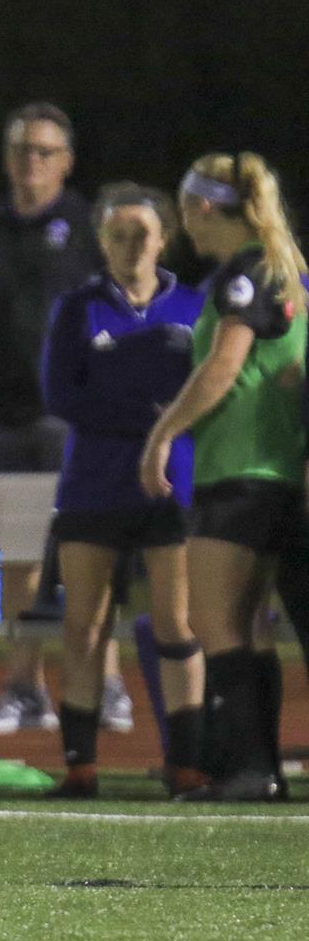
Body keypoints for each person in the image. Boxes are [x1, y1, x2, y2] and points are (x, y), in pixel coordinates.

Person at [0, 103, 129, 736]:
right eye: (21, 150)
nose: (31, 163)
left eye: (45, 152)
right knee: (15, 556)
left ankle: (107, 683)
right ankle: (25, 687)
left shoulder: (88, 231)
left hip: (68, 419)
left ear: (67, 161)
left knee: (85, 550)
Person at [141, 153, 308, 802]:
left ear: (202, 207)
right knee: (250, 624)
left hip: (241, 471)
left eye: (186, 211)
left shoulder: (246, 274)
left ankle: (247, 770)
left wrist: (163, 434)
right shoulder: (288, 269)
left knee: (215, 623)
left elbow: (222, 367)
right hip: (277, 471)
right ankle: (258, 768)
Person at [40, 184, 205, 798]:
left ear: (165, 238)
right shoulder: (78, 308)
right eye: (118, 234)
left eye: (143, 233)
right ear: (100, 240)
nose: (131, 245)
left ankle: (186, 766)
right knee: (84, 626)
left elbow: (208, 390)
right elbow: (61, 394)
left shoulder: (194, 306)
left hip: (173, 486)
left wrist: (169, 425)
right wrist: (153, 415)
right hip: (94, 486)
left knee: (176, 624)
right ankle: (81, 767)